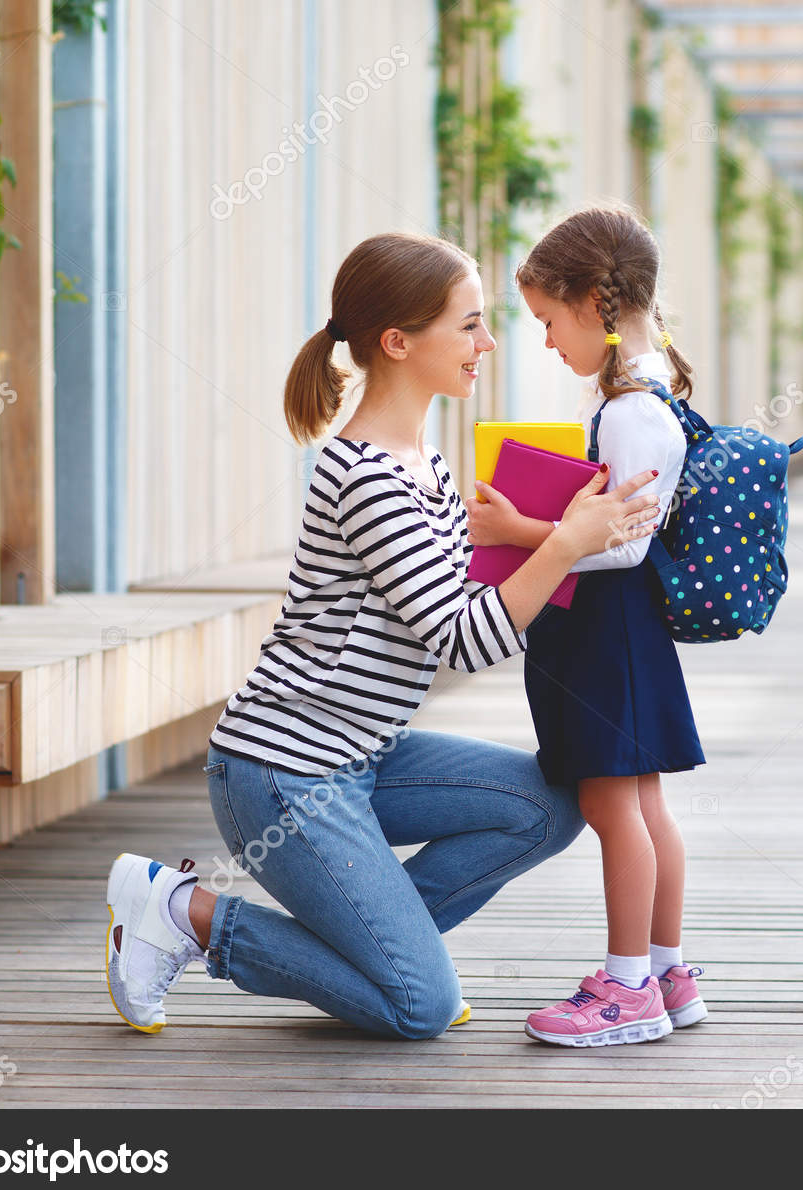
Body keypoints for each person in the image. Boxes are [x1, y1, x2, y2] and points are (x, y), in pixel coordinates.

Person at [104, 231, 663, 1039]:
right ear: (398, 342)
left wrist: (546, 528)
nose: (488, 342)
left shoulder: (424, 464)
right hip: (282, 773)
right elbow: (463, 638)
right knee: (418, 1007)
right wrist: (566, 541)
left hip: (364, 754)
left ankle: (380, 955)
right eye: (468, 325)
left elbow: (463, 592)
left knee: (550, 803)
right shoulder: (367, 477)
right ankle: (184, 914)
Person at [466, 206, 707, 1047]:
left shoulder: (629, 410)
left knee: (616, 812)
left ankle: (628, 985)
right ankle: (666, 969)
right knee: (644, 807)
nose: (543, 341)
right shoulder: (647, 396)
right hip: (622, 639)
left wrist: (515, 533)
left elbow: (621, 547)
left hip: (604, 636)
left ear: (594, 303)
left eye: (547, 320)